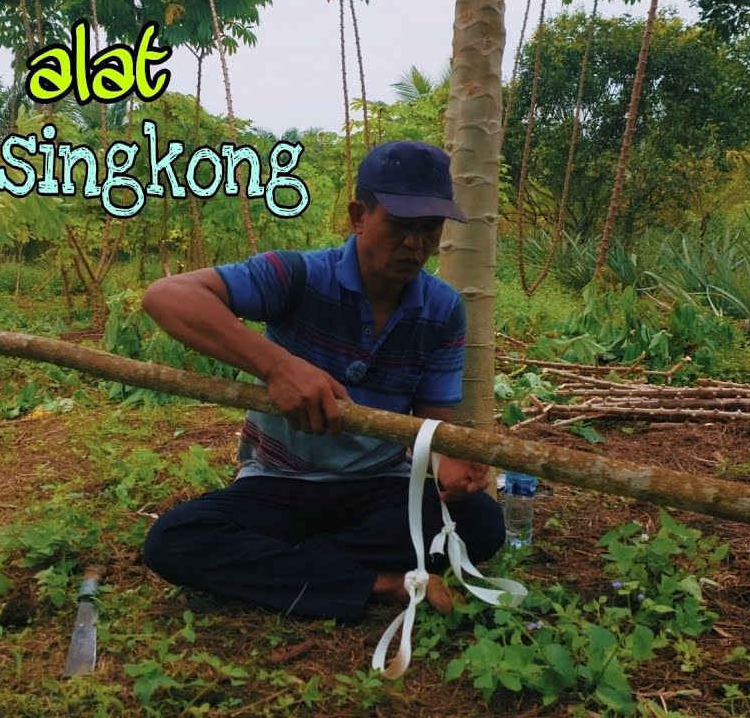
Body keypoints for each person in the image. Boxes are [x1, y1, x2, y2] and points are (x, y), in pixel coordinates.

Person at [140, 140, 505, 622]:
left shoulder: (441, 310)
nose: (415, 245)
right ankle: (377, 581)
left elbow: (431, 427)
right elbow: (167, 297)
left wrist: (450, 461)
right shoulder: (296, 276)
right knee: (173, 540)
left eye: (429, 229)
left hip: (380, 485)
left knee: (481, 523)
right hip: (282, 482)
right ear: (358, 215)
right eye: (400, 226)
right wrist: (277, 365)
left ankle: (290, 564)